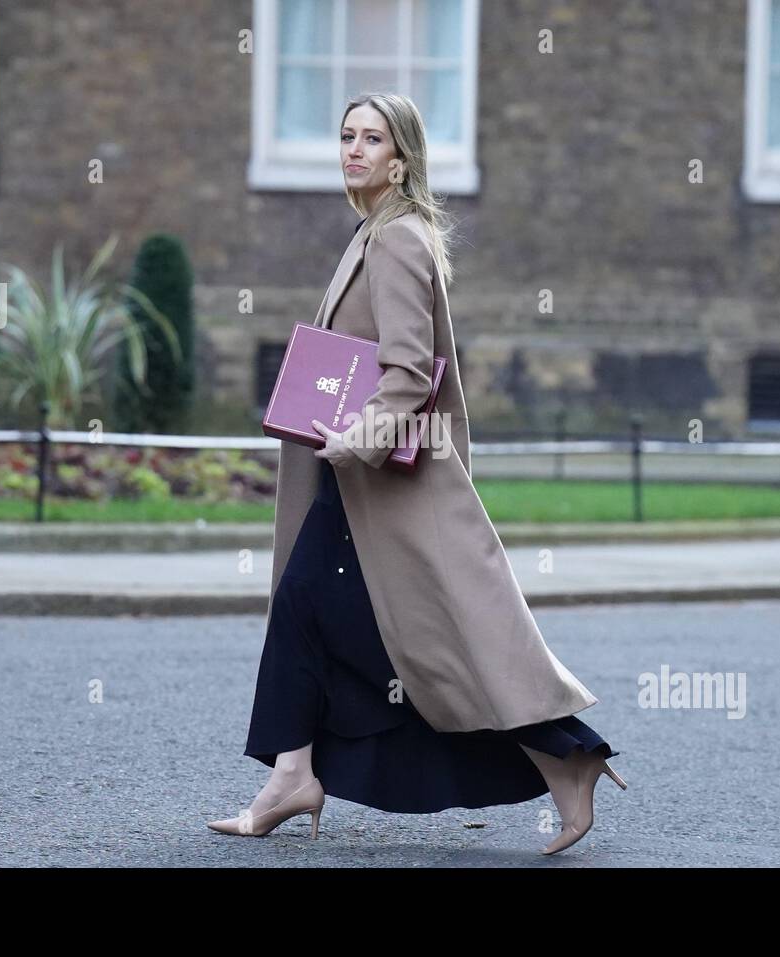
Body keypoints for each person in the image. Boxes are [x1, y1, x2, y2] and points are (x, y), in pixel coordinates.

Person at [208, 92, 627, 855]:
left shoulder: (398, 240)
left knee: (411, 637)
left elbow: (407, 372)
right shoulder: (372, 234)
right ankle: (295, 773)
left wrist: (356, 442)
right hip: (356, 479)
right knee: (337, 620)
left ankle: (563, 753)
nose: (355, 149)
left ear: (401, 158)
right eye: (346, 136)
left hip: (376, 477)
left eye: (373, 139)